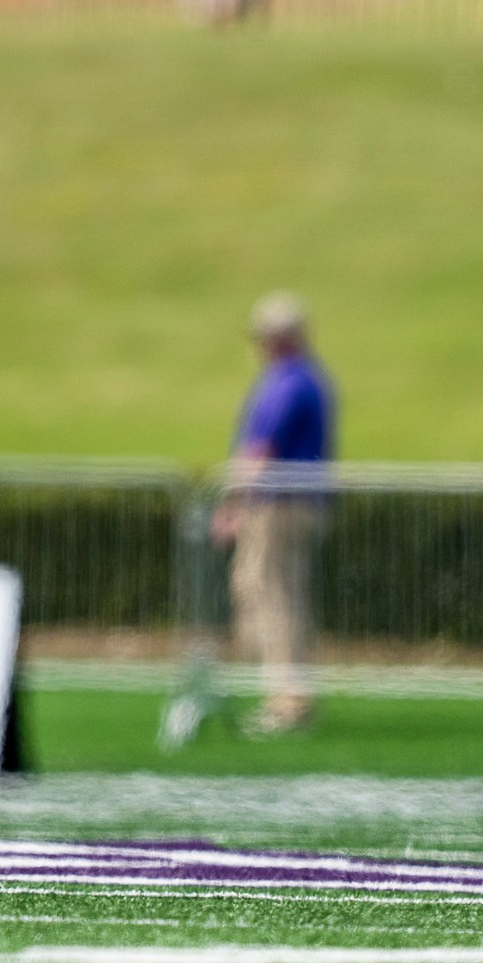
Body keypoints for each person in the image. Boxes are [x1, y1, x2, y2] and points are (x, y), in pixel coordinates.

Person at [212, 293, 335, 738]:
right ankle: (284, 691)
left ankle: (288, 698)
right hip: (294, 503)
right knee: (270, 592)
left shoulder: (288, 382)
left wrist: (234, 503)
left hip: (280, 505)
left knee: (275, 597)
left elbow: (261, 449)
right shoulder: (307, 379)